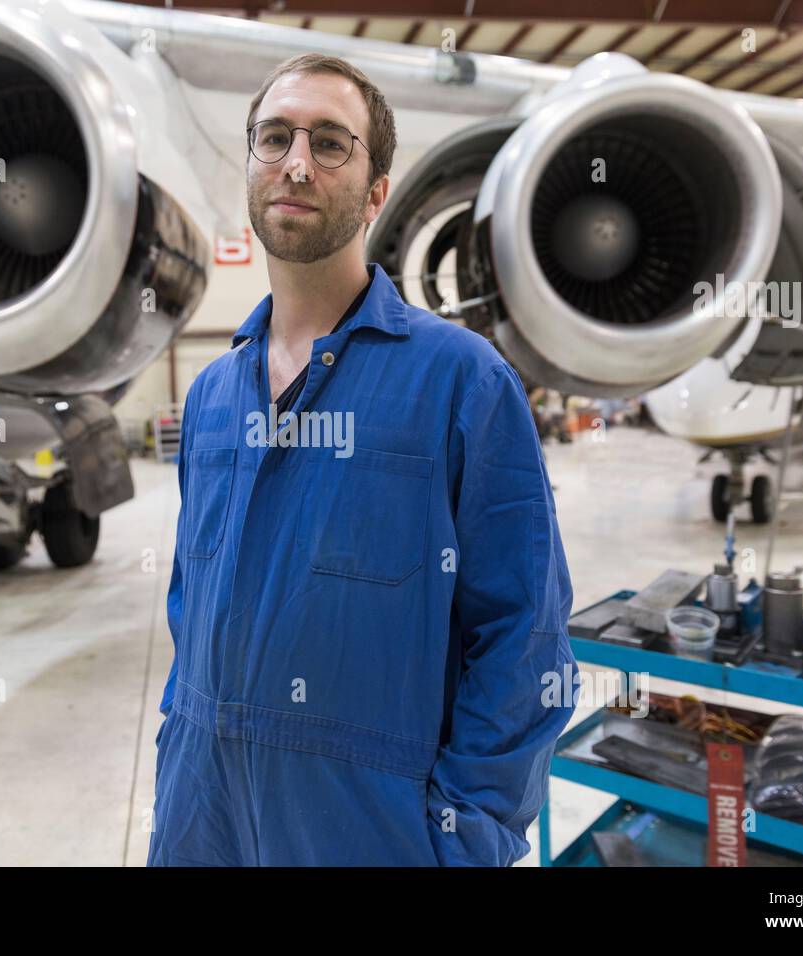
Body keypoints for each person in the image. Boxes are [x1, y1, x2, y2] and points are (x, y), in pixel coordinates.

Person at [147, 52, 577, 866]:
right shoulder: (210, 397)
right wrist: (179, 764)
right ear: (250, 167)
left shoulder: (460, 380)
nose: (297, 163)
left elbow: (524, 639)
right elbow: (189, 611)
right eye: (274, 138)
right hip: (202, 824)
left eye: (332, 143)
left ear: (377, 190)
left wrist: (466, 836)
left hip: (371, 834)